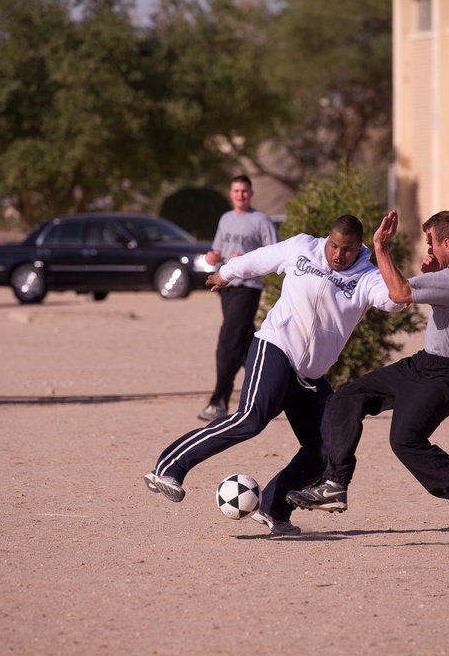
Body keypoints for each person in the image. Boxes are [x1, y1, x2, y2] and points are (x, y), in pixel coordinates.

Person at [144, 215, 405, 535]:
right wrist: (225, 273)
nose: (338, 254)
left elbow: (395, 302)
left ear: (360, 247)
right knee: (250, 419)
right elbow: (260, 259)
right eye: (334, 245)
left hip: (311, 376)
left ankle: (273, 509)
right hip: (275, 349)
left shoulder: (368, 275)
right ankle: (169, 468)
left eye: (347, 249)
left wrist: (382, 251)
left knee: (329, 449)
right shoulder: (302, 248)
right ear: (327, 237)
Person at [286, 210, 449, 547]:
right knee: (348, 397)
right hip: (425, 363)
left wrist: (381, 248)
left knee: (405, 439)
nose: (428, 252)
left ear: (448, 242)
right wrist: (437, 272)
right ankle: (334, 483)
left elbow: (398, 294)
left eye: (431, 245)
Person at [197, 175, 279, 421]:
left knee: (226, 342)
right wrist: (213, 258)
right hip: (226, 287)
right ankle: (276, 394)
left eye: (244, 191)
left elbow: (274, 257)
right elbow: (219, 252)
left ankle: (218, 401)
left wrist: (246, 257)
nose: (240, 194)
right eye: (236, 190)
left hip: (248, 287)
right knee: (245, 347)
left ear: (251, 193)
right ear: (231, 193)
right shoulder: (226, 219)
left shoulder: (261, 221)